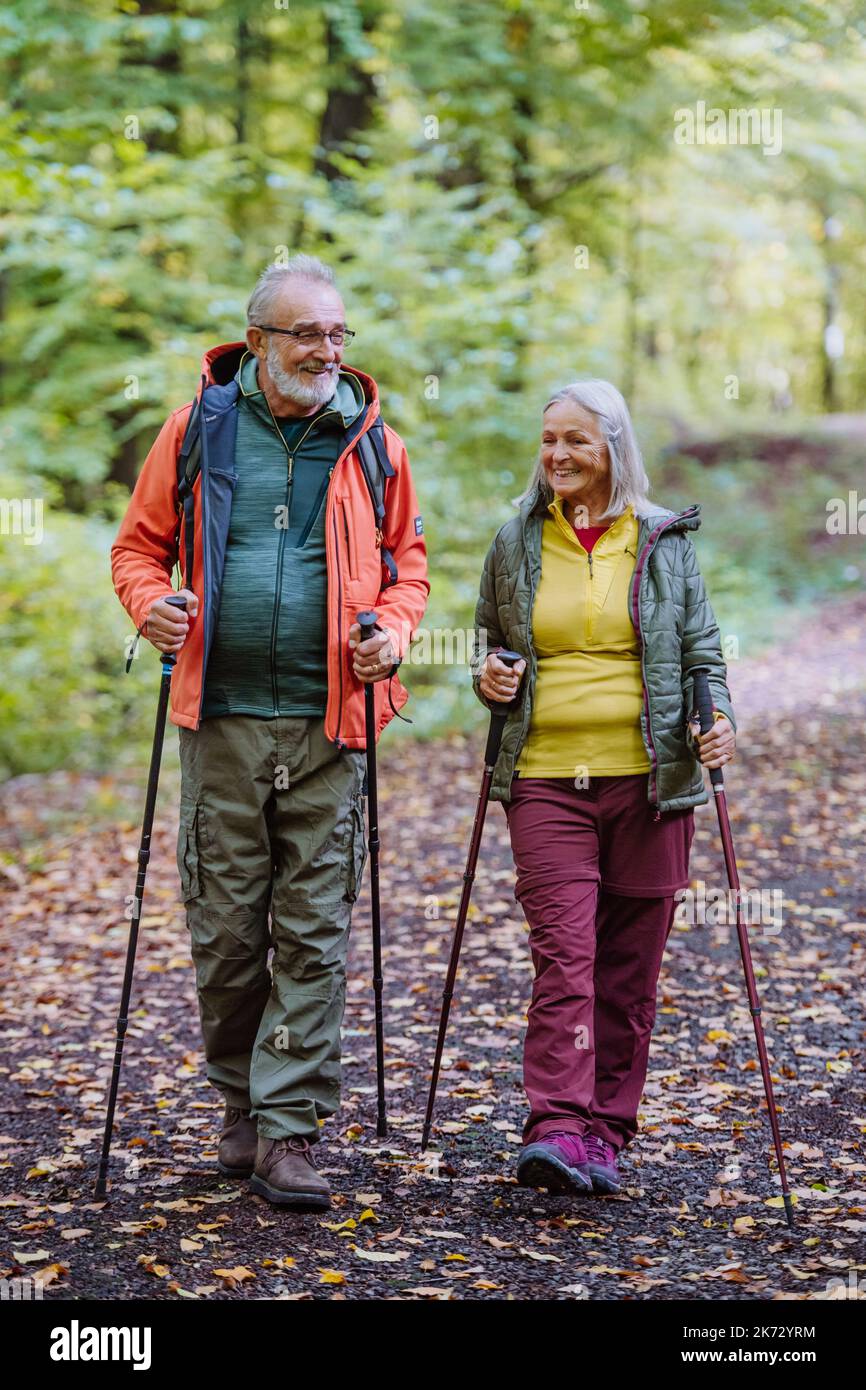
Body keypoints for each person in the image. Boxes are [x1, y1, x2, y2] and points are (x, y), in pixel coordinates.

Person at [111, 256, 429, 1209]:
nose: (326, 351)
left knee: (313, 929)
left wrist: (396, 631)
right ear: (258, 342)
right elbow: (137, 548)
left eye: (338, 334)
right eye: (307, 334)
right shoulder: (198, 431)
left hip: (334, 726)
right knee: (226, 931)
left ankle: (289, 1129)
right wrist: (150, 607)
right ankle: (240, 1106)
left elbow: (408, 563)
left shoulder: (375, 445)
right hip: (222, 722)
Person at [470, 378, 735, 1196]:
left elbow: (701, 657)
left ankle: (606, 1132)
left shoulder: (664, 540)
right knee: (565, 957)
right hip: (547, 775)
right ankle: (556, 1124)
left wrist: (716, 717)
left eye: (575, 441)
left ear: (614, 447)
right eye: (549, 439)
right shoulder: (516, 539)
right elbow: (488, 636)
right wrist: (487, 675)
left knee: (630, 971)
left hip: (652, 780)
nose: (556, 455)